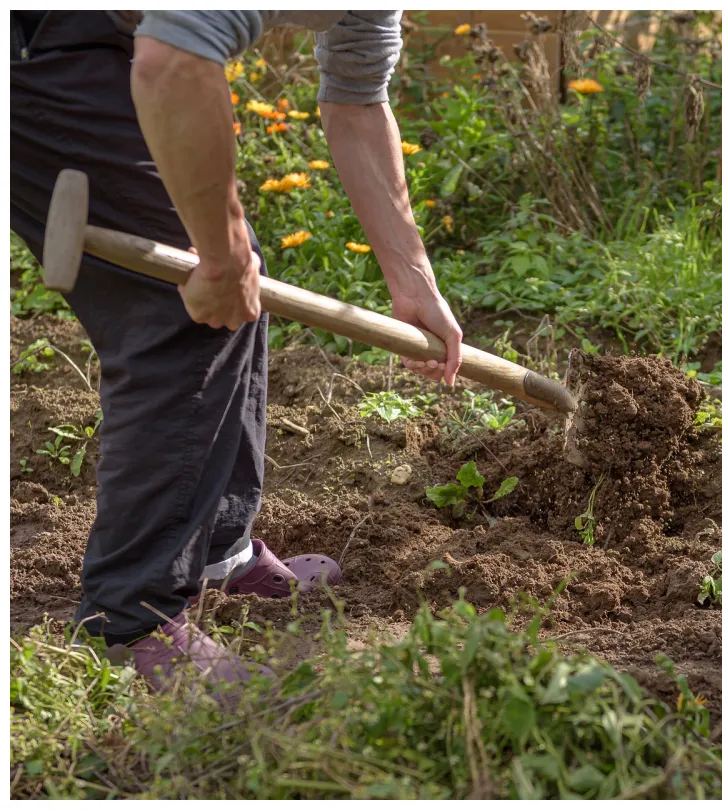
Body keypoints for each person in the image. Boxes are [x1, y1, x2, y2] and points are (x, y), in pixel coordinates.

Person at [10, 10, 463, 690]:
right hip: (40, 37)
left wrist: (414, 280)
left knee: (232, 287)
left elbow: (358, 100)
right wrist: (219, 258)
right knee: (189, 305)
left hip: (103, 41)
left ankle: (214, 550)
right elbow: (170, 61)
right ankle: (130, 621)